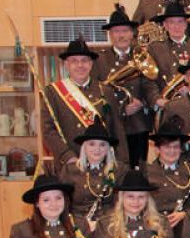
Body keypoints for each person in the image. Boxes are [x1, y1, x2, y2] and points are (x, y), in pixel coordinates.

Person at [41, 37, 127, 170]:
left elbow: (117, 129)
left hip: (104, 164)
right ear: (66, 64)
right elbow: (48, 131)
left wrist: (122, 163)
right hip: (70, 164)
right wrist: (68, 157)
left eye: (84, 61)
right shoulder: (53, 92)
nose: (80, 65)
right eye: (74, 61)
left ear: (91, 64)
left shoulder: (106, 91)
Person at [93, 4, 153, 165]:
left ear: (132, 33)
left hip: (138, 124)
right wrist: (117, 108)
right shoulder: (100, 60)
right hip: (111, 124)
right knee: (113, 168)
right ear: (110, 34)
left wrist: (143, 103)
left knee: (138, 169)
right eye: (117, 31)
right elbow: (95, 91)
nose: (122, 35)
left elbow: (150, 84)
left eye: (125, 31)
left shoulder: (142, 56)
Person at [58, 123, 127, 229]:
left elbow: (121, 204)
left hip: (108, 226)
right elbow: (63, 204)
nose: (97, 149)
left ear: (108, 149)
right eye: (92, 144)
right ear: (84, 147)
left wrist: (102, 224)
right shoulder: (70, 170)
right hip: (78, 226)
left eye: (102, 145)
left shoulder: (119, 170)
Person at [145, 118, 190, 231]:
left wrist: (186, 214)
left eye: (176, 147)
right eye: (167, 147)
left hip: (186, 227)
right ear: (157, 149)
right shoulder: (146, 173)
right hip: (155, 228)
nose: (172, 151)